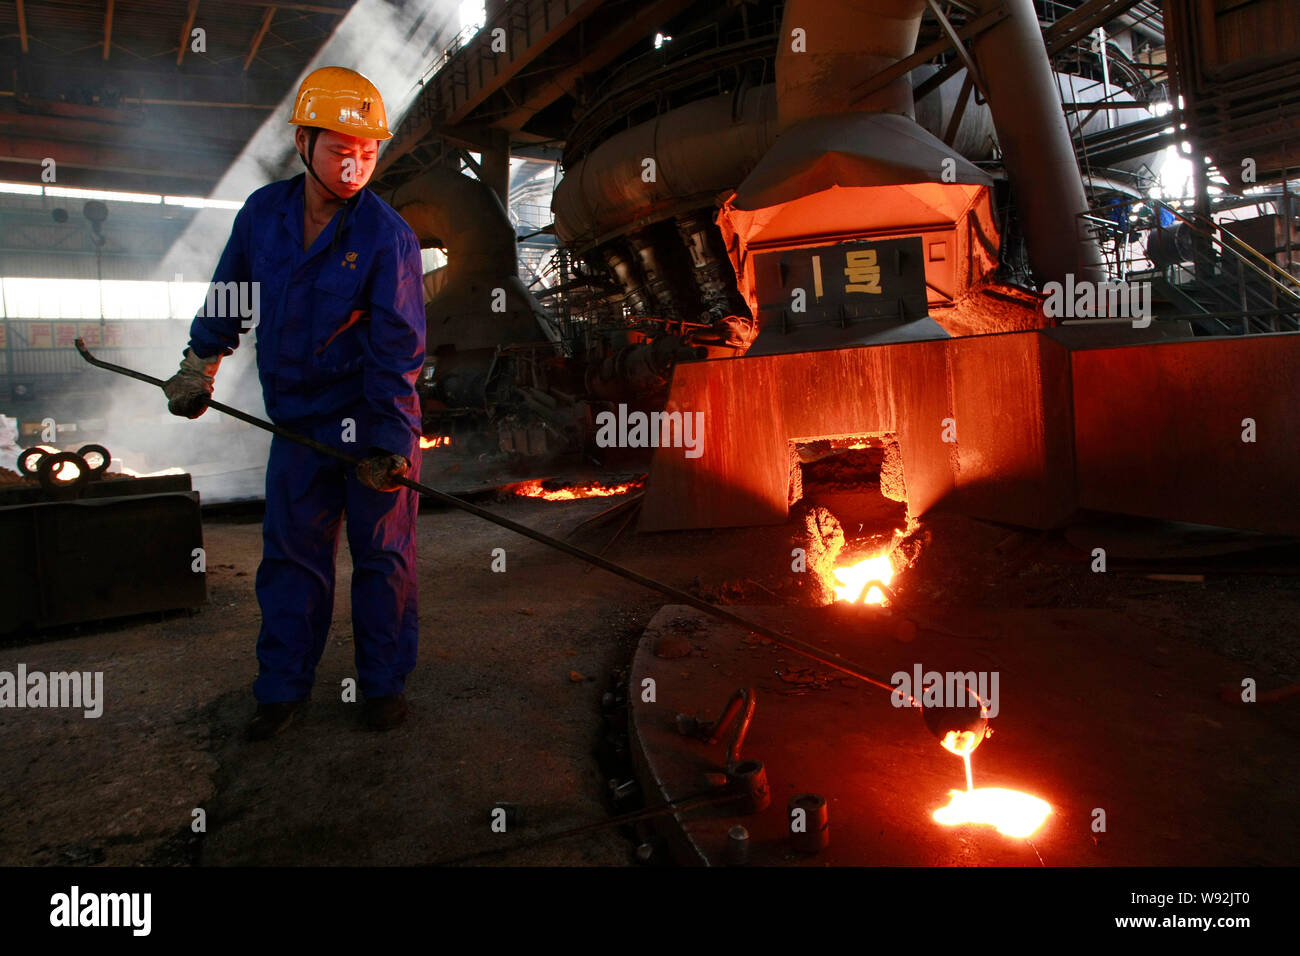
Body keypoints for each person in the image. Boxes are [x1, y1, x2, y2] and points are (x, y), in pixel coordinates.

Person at [163, 67, 427, 739]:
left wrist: (391, 446)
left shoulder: (387, 235)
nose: (355, 165)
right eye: (341, 149)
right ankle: (281, 692)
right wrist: (200, 364)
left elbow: (399, 353)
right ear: (304, 143)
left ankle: (382, 687)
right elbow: (230, 297)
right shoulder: (263, 216)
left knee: (383, 558)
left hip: (372, 423)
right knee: (291, 561)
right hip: (299, 426)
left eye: (368, 152)